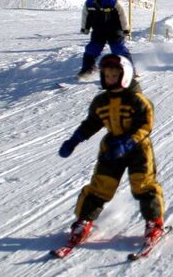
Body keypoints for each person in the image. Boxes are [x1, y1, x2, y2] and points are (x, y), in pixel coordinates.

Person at [56, 54, 164, 252]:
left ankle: (154, 222)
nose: (110, 79)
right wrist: (74, 140)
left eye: (114, 75)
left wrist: (128, 142)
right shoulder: (101, 101)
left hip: (138, 148)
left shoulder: (137, 100)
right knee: (100, 186)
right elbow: (92, 123)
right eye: (107, 75)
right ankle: (84, 221)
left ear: (125, 76)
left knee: (143, 185)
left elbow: (146, 125)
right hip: (111, 148)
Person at [78, 0, 134, 79]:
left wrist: (126, 29)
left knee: (119, 50)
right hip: (98, 32)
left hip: (114, 31)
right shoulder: (89, 2)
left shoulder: (113, 1)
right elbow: (85, 16)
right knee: (91, 49)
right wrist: (85, 28)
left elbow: (123, 15)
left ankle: (129, 70)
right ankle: (88, 69)